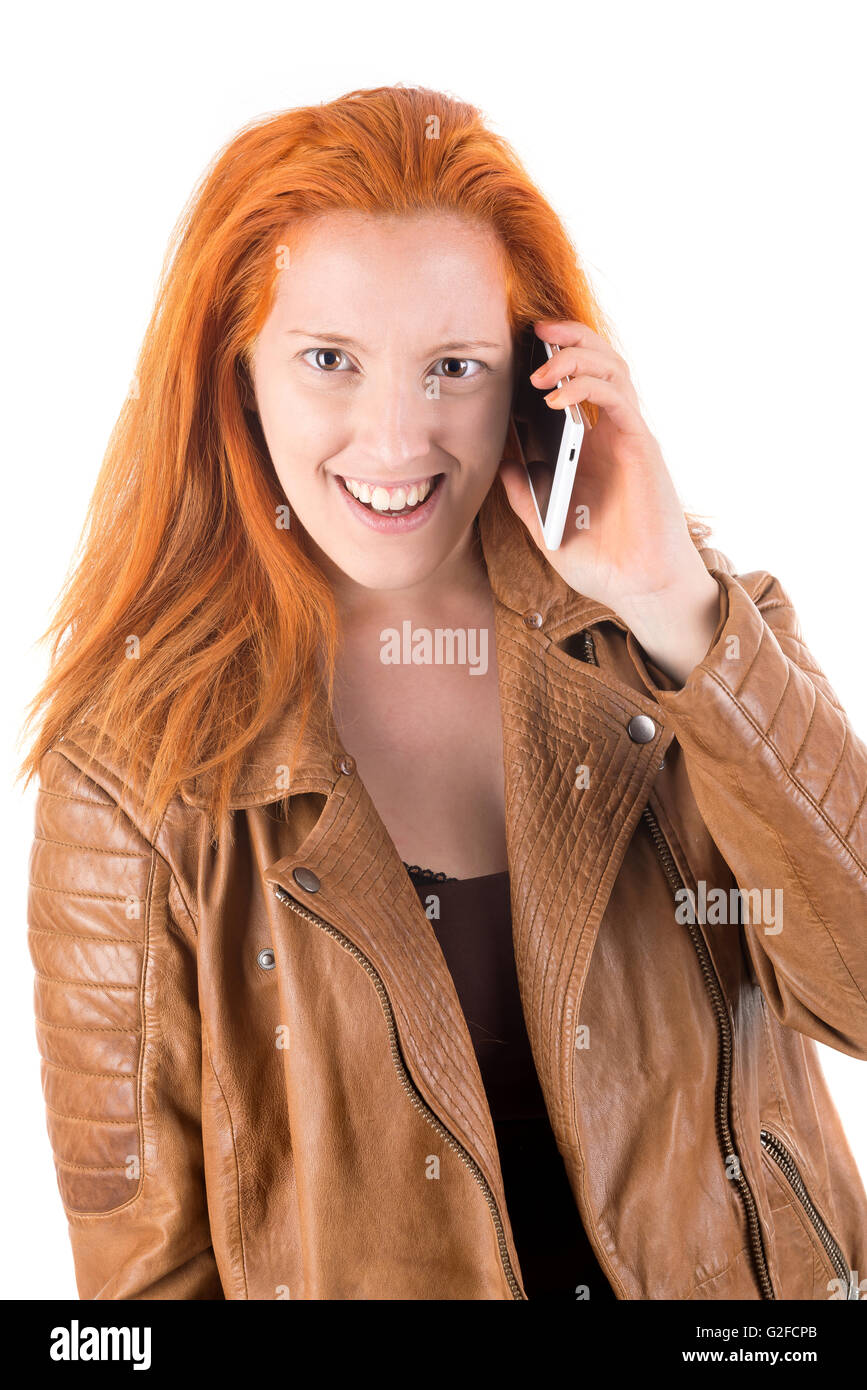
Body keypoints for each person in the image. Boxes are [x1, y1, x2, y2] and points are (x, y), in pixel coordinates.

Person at [19, 83, 867, 1301]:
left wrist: (677, 602)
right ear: (237, 374)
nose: (396, 439)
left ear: (535, 374)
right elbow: (143, 1284)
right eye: (329, 360)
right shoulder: (130, 774)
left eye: (452, 367)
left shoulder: (683, 638)